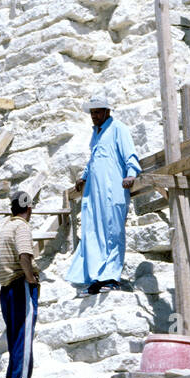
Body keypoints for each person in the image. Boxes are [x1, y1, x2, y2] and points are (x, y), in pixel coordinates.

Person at [67, 93, 142, 294]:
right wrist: (83, 176)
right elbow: (94, 160)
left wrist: (131, 173)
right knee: (94, 233)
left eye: (98, 112)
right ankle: (96, 278)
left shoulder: (118, 129)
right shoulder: (96, 134)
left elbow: (130, 154)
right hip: (95, 193)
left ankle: (111, 277)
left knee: (114, 232)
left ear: (107, 111)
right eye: (92, 112)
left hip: (115, 190)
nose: (94, 116)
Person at [0, 190, 41, 378]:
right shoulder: (22, 227)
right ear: (29, 208)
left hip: (6, 289)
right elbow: (24, 255)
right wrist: (31, 278)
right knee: (24, 339)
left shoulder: (6, 227)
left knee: (15, 339)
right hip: (20, 284)